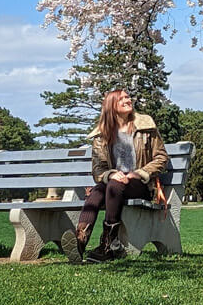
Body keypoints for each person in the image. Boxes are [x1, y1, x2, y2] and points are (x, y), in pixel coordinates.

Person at [61, 89, 169, 264]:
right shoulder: (102, 134)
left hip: (140, 186)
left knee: (113, 186)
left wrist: (139, 173)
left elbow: (161, 157)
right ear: (111, 106)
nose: (128, 100)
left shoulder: (145, 126)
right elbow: (98, 168)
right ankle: (79, 242)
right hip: (114, 185)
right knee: (97, 191)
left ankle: (108, 244)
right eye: (122, 99)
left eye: (128, 97)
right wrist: (111, 174)